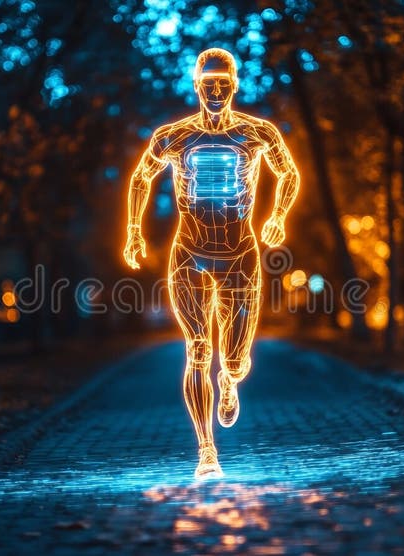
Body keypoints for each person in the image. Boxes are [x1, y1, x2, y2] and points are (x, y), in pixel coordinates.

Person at [122, 47, 300, 479]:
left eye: (224, 82)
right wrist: (133, 230)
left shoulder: (257, 133)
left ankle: (231, 379)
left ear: (235, 85)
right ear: (197, 85)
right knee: (199, 349)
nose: (216, 91)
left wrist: (277, 215)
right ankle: (206, 450)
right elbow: (142, 177)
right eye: (208, 84)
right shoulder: (173, 136)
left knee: (234, 360)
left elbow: (289, 174)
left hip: (240, 256)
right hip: (190, 255)